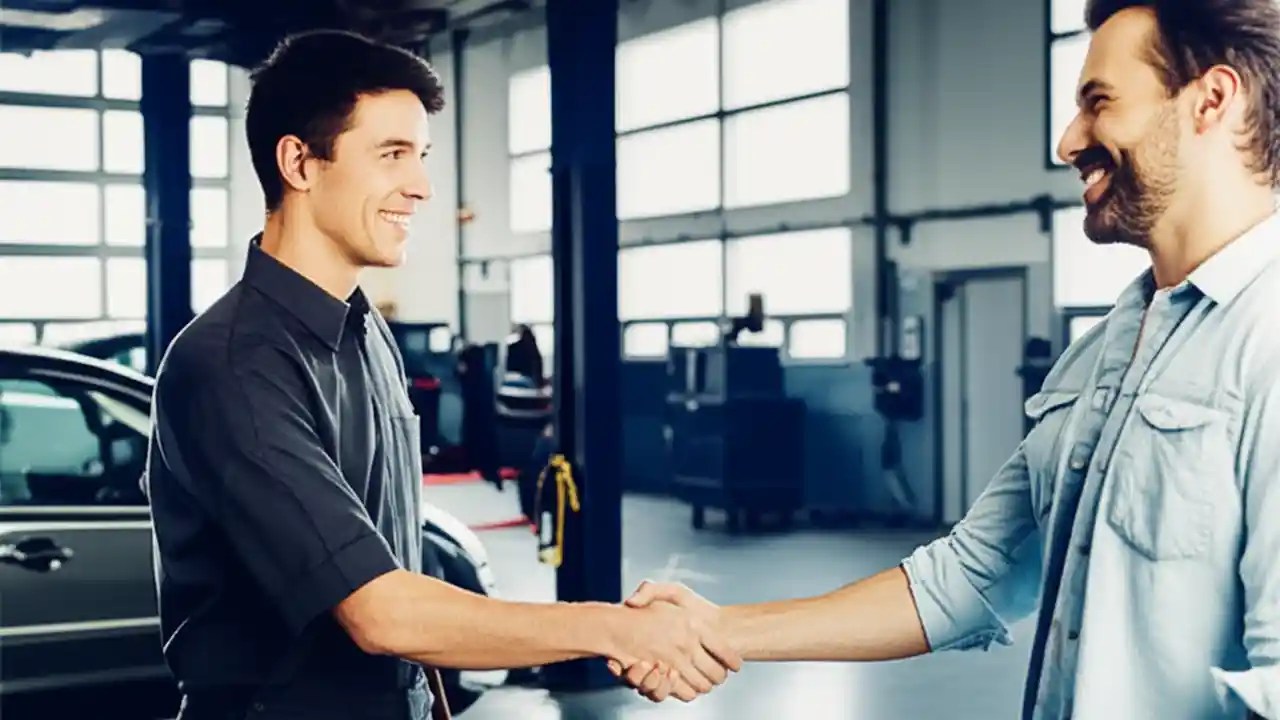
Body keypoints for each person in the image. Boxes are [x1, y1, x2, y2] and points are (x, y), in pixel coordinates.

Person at [613, 2, 1280, 718]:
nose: (1067, 141)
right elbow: (968, 573)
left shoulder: (1266, 340)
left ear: (1211, 99)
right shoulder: (1108, 351)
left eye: (1098, 103)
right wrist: (717, 628)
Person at [142, 30, 739, 720]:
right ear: (298, 162)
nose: (421, 187)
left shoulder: (367, 334)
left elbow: (400, 571)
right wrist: (617, 627)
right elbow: (381, 612)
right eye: (392, 154)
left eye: (420, 156)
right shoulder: (230, 365)